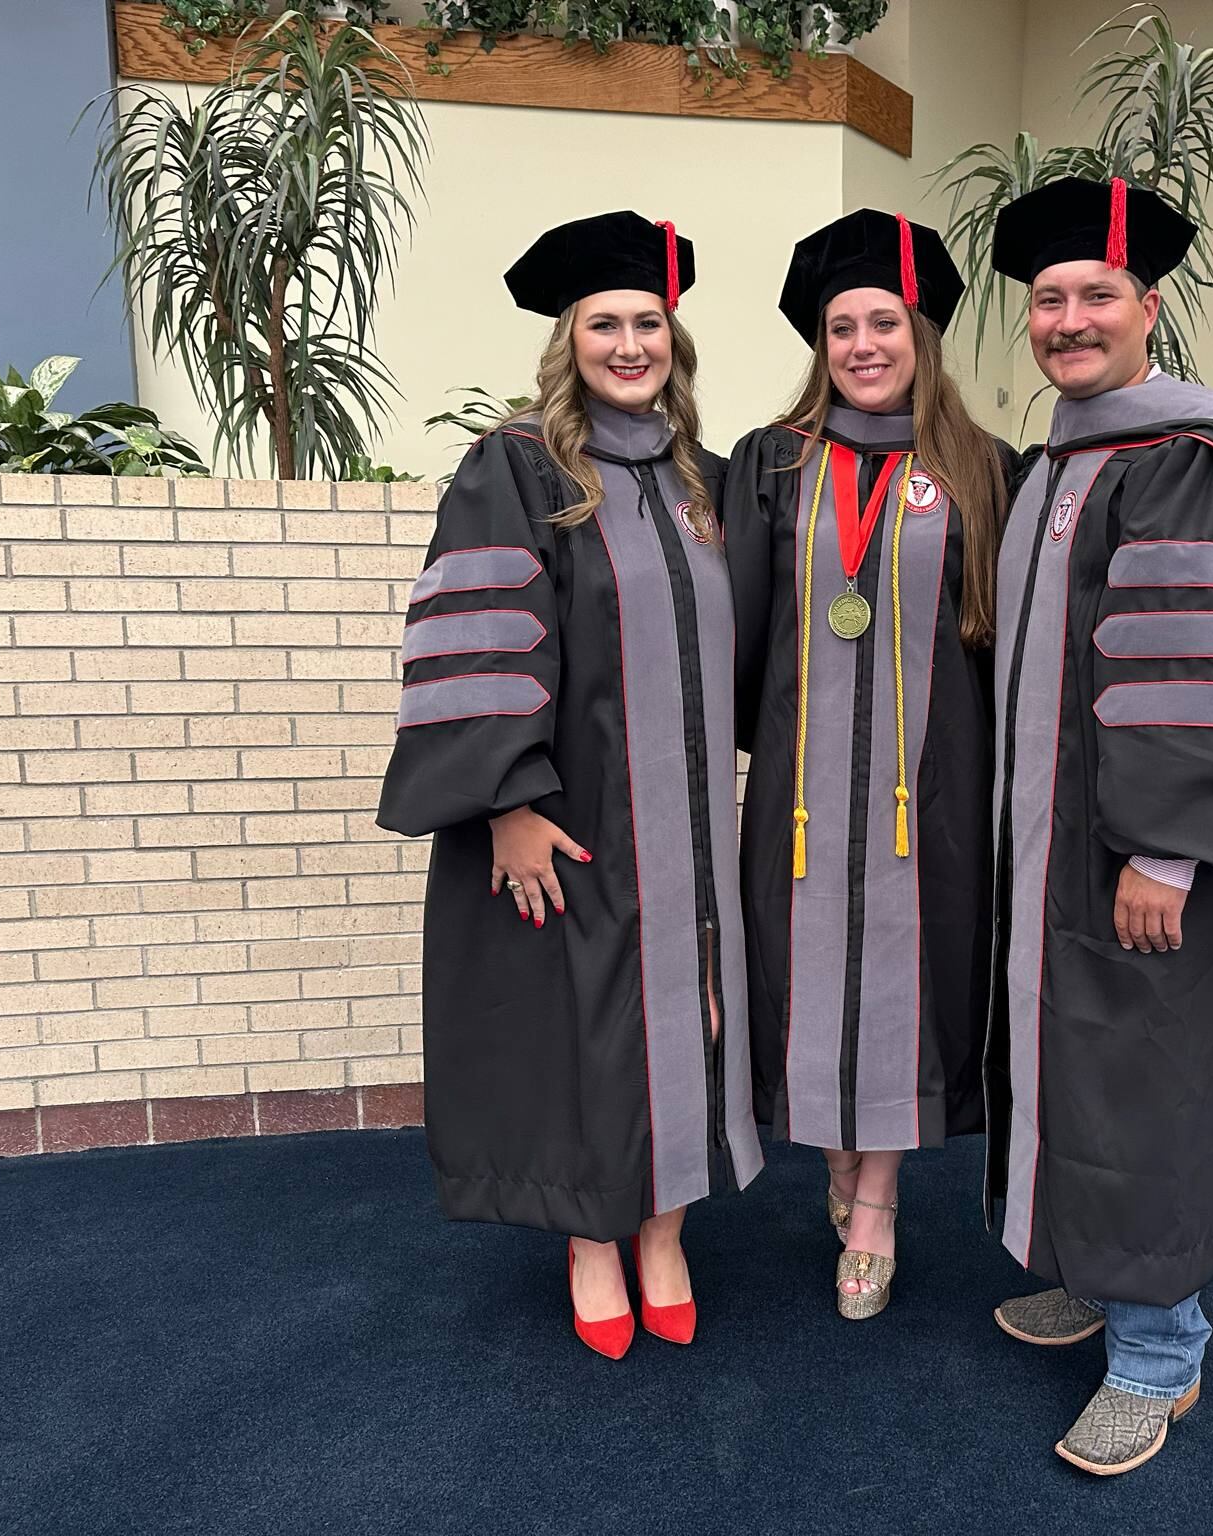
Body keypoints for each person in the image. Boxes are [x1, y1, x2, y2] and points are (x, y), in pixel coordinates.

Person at [980, 176, 1213, 1473]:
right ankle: (1101, 1274)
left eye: (1096, 296)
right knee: (1082, 1071)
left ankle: (1157, 1354)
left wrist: (1168, 852)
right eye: (1049, 299)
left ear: (1149, 305)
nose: (1070, 319)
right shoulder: (1065, 460)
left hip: (1145, 856)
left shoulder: (1193, 452)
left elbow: (1202, 661)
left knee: (1147, 1083)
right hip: (1062, 852)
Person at [376, 211, 762, 1360]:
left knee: (687, 1019)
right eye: (606, 323)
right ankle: (593, 1239)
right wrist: (508, 802)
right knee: (581, 1029)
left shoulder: (709, 482)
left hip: (689, 820)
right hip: (574, 809)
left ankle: (663, 1232)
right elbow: (476, 633)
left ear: (673, 341)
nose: (629, 343)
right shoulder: (519, 466)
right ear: (571, 338)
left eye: (648, 322)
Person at [724, 210, 1012, 1319]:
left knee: (905, 983)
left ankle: (877, 1200)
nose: (861, 345)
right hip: (799, 788)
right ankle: (832, 1155)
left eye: (881, 322)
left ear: (920, 331)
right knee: (801, 974)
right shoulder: (771, 462)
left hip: (923, 789)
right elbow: (738, 626)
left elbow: (996, 634)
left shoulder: (980, 470)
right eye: (839, 327)